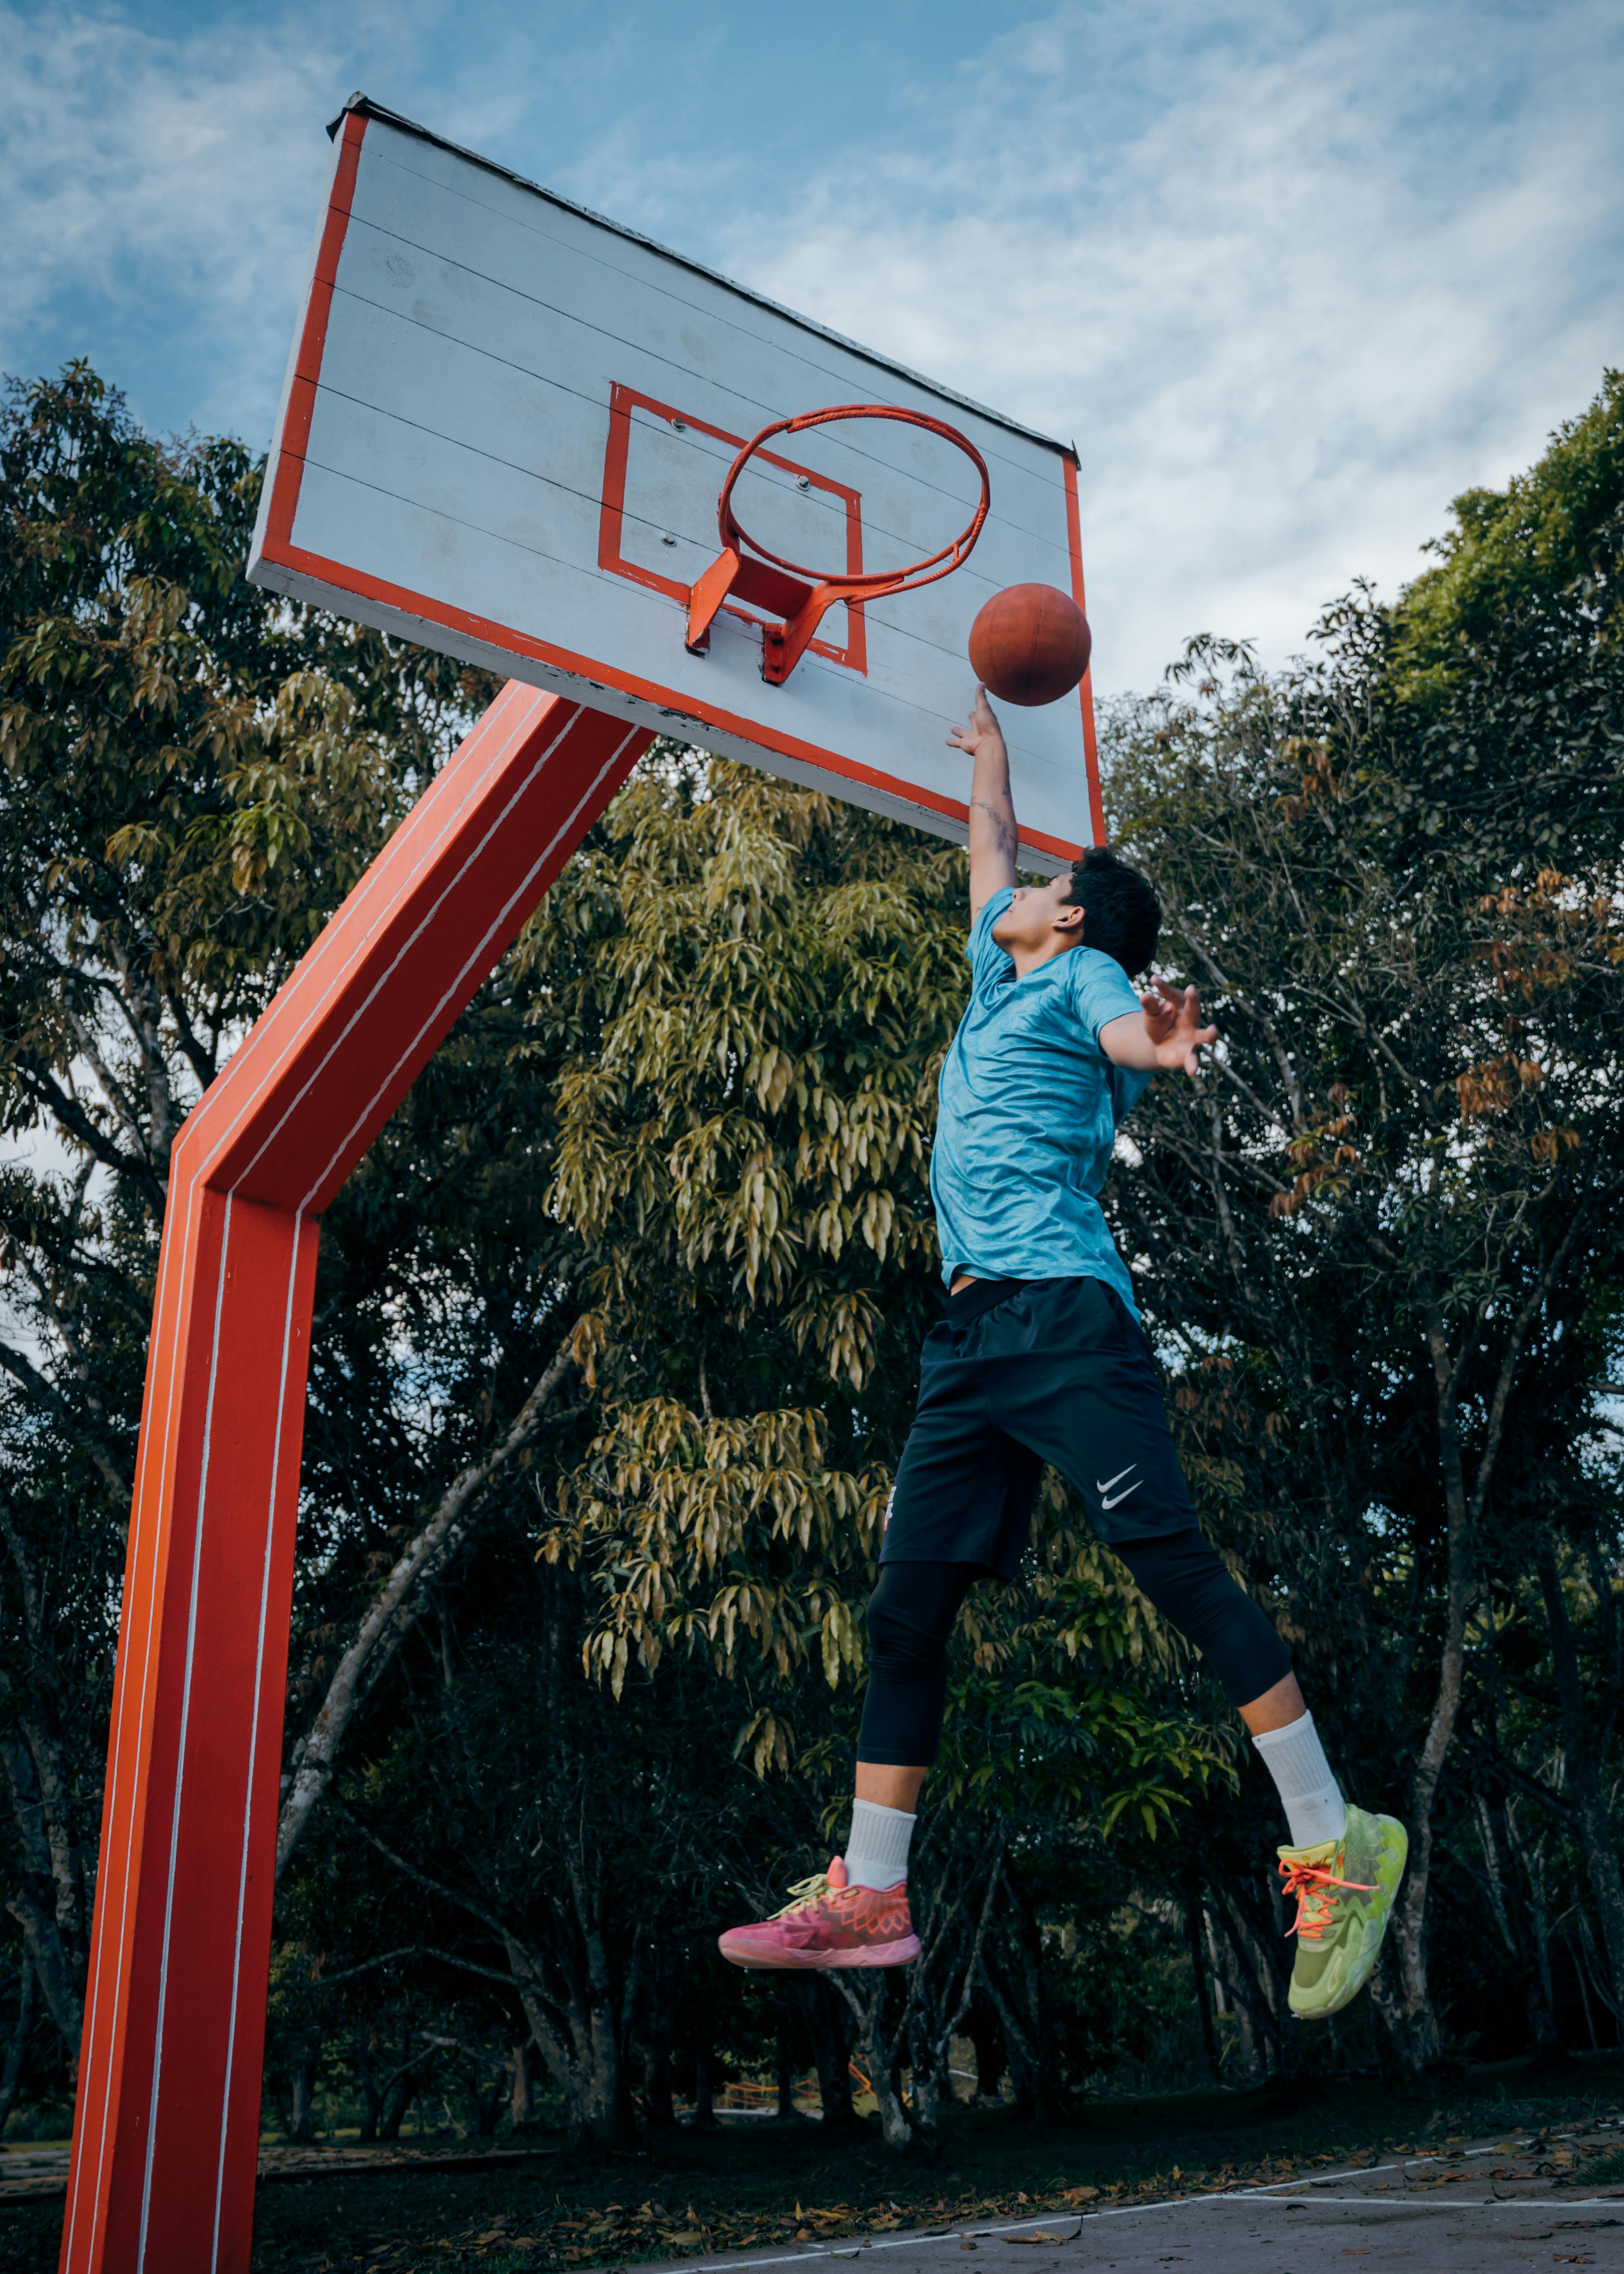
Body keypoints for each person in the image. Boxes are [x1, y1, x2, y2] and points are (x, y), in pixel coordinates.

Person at [718, 689, 1406, 2021]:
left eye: (1044, 887)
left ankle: (1336, 1841)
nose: (1014, 891)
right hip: (968, 1338)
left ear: (1076, 920)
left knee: (1172, 1570)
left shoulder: (1084, 977)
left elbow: (1121, 1031)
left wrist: (1165, 1040)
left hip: (1062, 1318)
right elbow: (987, 858)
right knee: (902, 1609)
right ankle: (869, 1892)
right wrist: (991, 762)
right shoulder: (1001, 965)